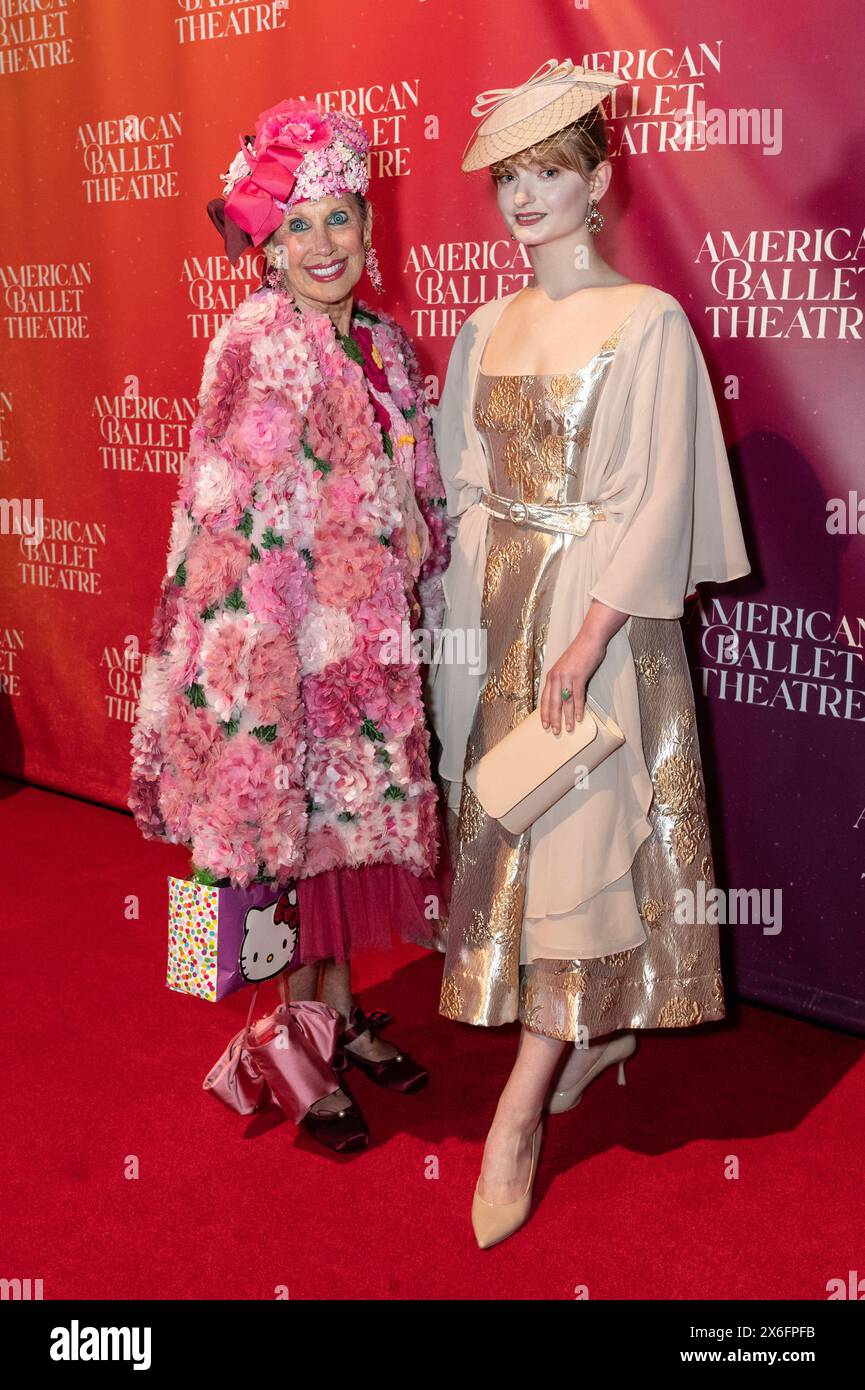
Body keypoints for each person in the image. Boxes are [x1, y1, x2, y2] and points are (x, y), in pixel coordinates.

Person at [430, 60, 751, 1244]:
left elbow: (657, 498)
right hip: (500, 615)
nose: (526, 198)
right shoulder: (486, 323)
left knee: (578, 847)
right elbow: (465, 480)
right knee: (524, 834)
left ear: (598, 183)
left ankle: (518, 1115)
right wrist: (467, 615)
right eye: (510, 177)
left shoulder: (645, 322)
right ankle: (593, 1031)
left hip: (594, 630)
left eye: (549, 174)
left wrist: (585, 633)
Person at [130, 99, 452, 1154]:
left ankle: (340, 1015)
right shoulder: (253, 340)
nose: (322, 246)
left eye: (339, 221)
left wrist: (416, 548)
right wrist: (244, 694)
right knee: (269, 846)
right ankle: (279, 1039)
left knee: (339, 847)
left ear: (367, 225)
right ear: (265, 245)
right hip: (269, 656)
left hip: (360, 651)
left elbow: (416, 492)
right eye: (298, 226)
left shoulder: (389, 346)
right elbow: (222, 519)